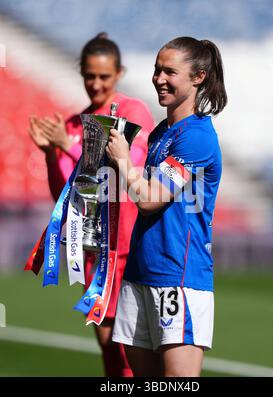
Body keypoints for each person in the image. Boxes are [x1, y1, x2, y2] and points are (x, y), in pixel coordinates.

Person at [28, 33, 155, 377]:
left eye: (104, 76)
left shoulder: (132, 111)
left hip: (128, 245)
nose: (96, 84)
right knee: (106, 339)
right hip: (94, 248)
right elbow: (65, 193)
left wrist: (66, 147)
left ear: (119, 73)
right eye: (89, 75)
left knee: (132, 343)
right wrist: (52, 152)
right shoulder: (71, 125)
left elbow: (124, 172)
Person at [106, 36, 227, 377]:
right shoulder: (162, 131)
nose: (159, 78)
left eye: (170, 71)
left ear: (198, 77)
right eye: (157, 69)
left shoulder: (197, 136)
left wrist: (121, 160)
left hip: (178, 277)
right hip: (140, 273)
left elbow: (148, 200)